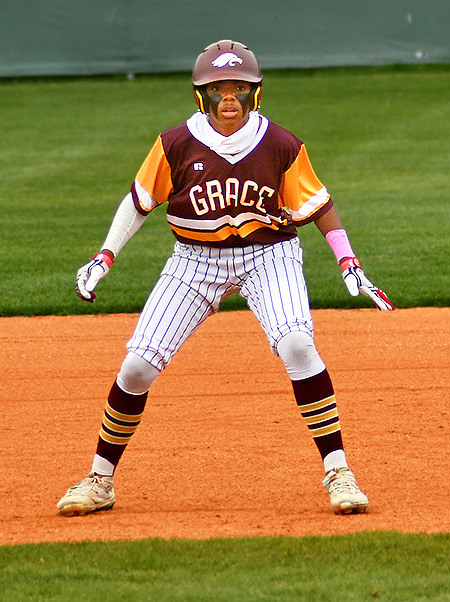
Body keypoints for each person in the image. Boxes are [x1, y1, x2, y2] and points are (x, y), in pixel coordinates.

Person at [58, 40, 394, 517]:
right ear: (202, 95)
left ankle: (339, 472)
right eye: (218, 89)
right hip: (194, 260)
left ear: (256, 93)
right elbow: (138, 202)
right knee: (137, 368)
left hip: (269, 254)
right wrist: (105, 255)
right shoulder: (175, 143)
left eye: (240, 87)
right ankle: (100, 481)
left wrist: (348, 260)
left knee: (298, 344)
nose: (229, 98)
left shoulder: (279, 143)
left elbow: (318, 206)